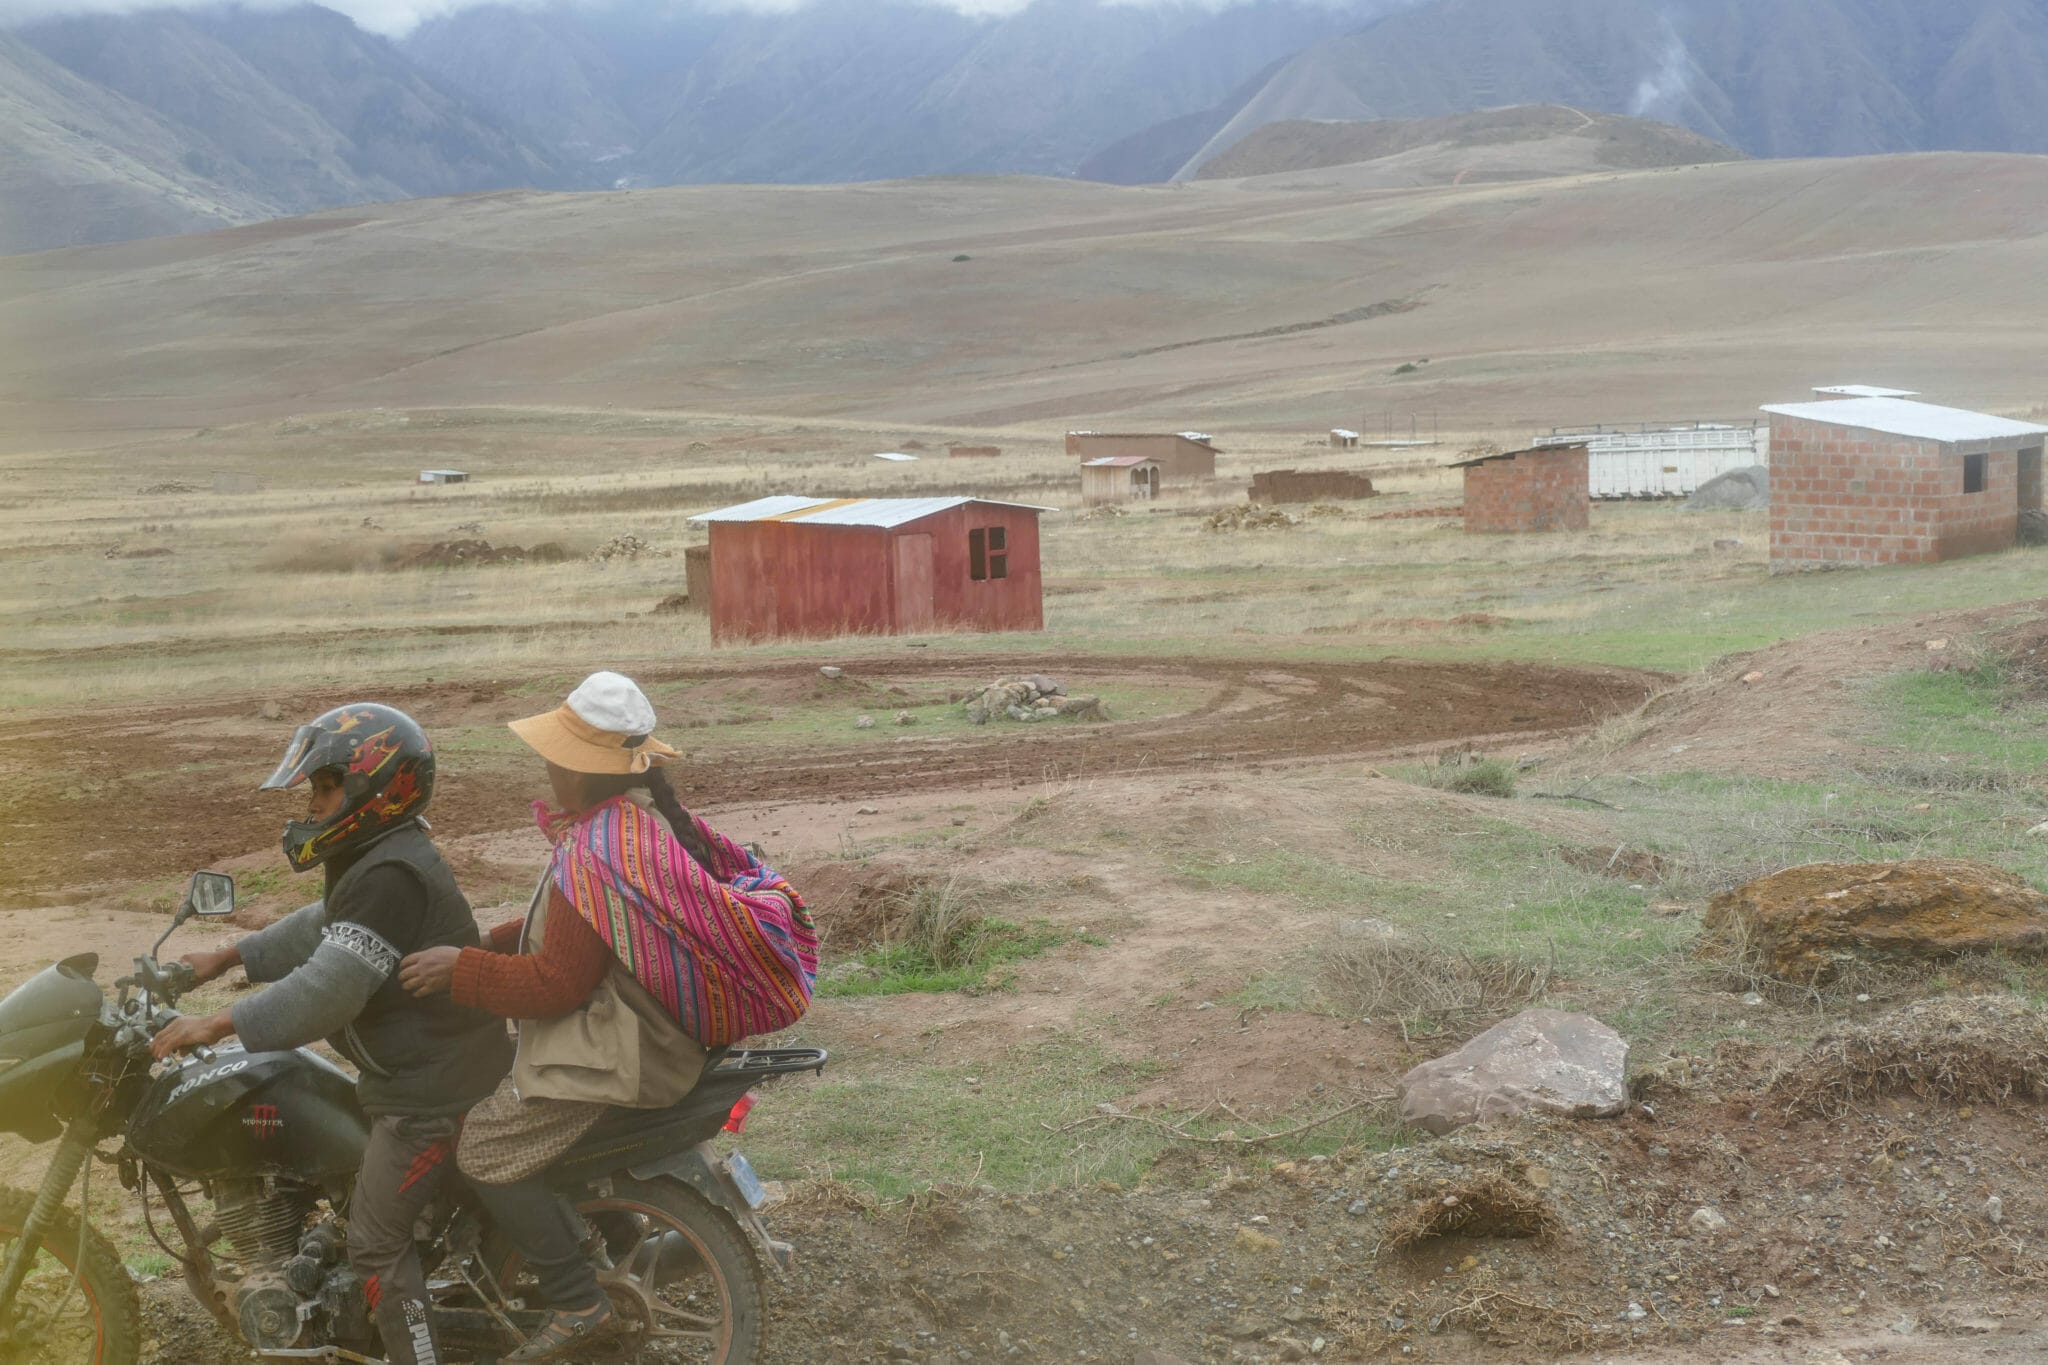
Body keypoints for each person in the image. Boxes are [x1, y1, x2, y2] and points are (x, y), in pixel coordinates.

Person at [397, 670, 817, 1364]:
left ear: (577, 766)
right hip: (650, 1033)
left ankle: (574, 1299)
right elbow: (574, 930)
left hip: (627, 1050)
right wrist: (487, 943)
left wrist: (459, 971)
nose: (548, 765)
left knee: (485, 1146)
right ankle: (596, 1243)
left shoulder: (596, 850)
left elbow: (555, 981)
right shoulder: (623, 829)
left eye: (556, 755)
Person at [153, 703, 513, 1365]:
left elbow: (330, 987)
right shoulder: (379, 858)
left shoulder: (389, 875)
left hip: (428, 1089)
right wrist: (228, 956)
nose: (313, 805)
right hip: (424, 1066)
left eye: (325, 787)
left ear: (377, 789)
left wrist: (215, 1020)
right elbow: (323, 922)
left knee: (375, 1243)